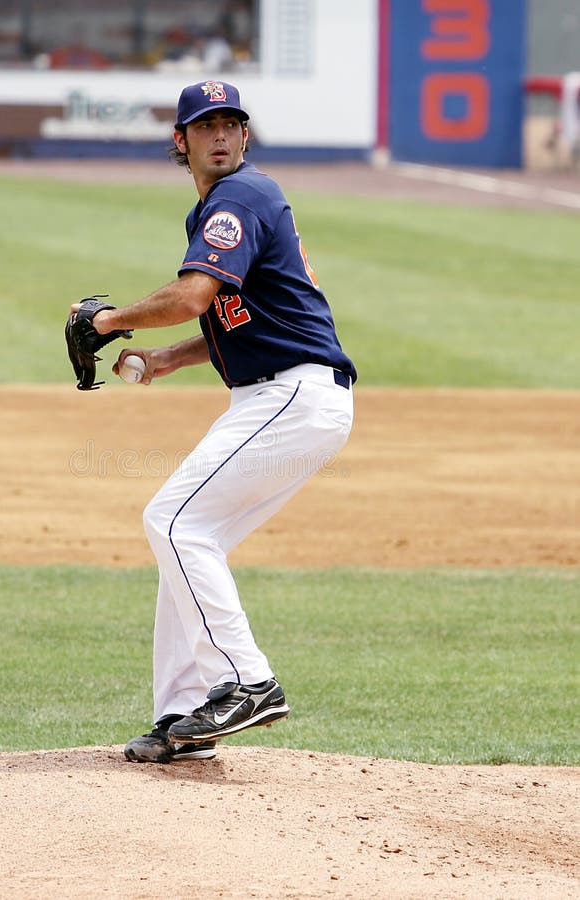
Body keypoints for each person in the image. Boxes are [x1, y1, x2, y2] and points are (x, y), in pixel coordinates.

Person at [75, 80, 356, 763]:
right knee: (187, 540)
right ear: (182, 140)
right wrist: (171, 357)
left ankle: (247, 681)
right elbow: (239, 314)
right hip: (284, 400)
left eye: (231, 123)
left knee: (171, 521)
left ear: (245, 136)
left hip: (291, 397)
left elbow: (194, 293)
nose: (221, 135)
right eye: (206, 127)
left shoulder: (242, 195)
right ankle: (184, 716)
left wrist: (105, 320)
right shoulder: (219, 207)